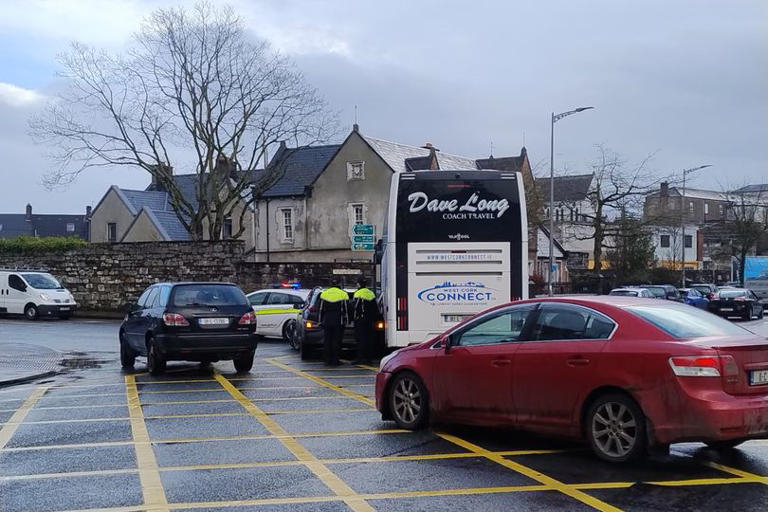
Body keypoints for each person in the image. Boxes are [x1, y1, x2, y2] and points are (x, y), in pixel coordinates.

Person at [318, 283, 349, 366]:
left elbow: (321, 309)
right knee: (337, 341)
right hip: (338, 320)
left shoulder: (324, 293)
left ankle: (327, 360)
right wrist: (347, 320)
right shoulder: (343, 294)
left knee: (327, 340)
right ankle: (336, 360)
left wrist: (320, 321)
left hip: (327, 320)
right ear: (339, 284)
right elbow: (345, 309)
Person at [352, 278, 377, 364]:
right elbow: (375, 308)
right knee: (369, 339)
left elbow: (355, 308)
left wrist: (354, 319)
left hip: (361, 320)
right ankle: (368, 359)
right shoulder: (371, 293)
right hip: (370, 320)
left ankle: (360, 358)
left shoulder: (358, 293)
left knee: (360, 339)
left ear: (359, 284)